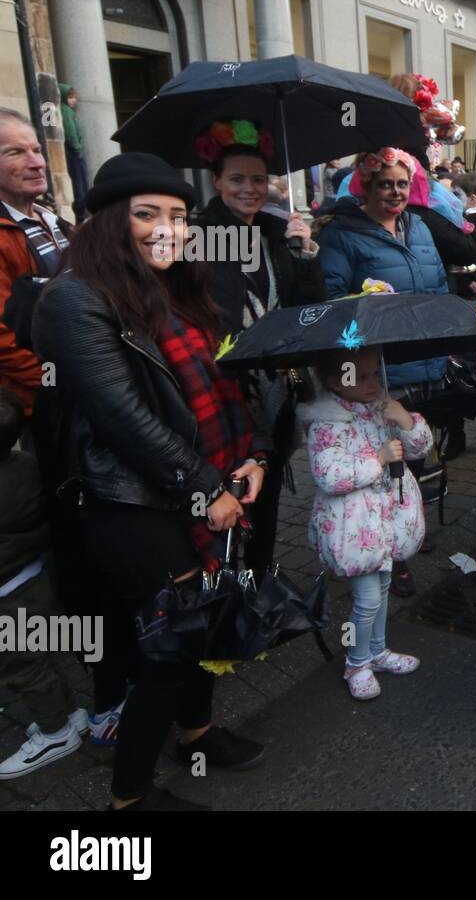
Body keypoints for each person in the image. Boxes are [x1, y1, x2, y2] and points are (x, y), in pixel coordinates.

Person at [32, 153, 269, 810]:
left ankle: (194, 736)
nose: (167, 227)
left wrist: (258, 457)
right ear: (110, 221)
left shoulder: (180, 288)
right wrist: (207, 489)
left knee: (203, 628)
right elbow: (122, 418)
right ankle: (127, 802)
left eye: (178, 215)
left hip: (212, 482)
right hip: (133, 503)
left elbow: (230, 385)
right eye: (147, 214)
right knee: (171, 647)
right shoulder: (73, 298)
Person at [191, 121, 327, 581]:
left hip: (279, 381)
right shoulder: (199, 237)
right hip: (227, 385)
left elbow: (309, 309)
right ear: (217, 182)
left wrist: (305, 253)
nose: (249, 189)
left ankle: (261, 578)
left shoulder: (277, 230)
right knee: (231, 486)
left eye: (257, 179)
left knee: (266, 485)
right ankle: (226, 585)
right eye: (237, 180)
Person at [317, 147, 450, 596]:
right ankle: (384, 550)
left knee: (415, 455)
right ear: (365, 187)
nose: (394, 193)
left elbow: (438, 286)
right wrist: (363, 293)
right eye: (384, 184)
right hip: (378, 363)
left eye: (400, 184)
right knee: (383, 460)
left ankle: (408, 530)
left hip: (422, 356)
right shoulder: (343, 234)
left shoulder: (421, 227)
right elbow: (331, 296)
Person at [299, 347, 430, 700]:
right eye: (359, 377)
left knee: (384, 586)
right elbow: (328, 475)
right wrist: (378, 459)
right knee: (368, 598)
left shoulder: (382, 409)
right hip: (351, 526)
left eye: (375, 374)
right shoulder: (326, 422)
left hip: (384, 518)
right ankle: (356, 663)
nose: (372, 383)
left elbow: (419, 449)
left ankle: (378, 650)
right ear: (332, 380)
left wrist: (405, 420)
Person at [0, 386, 91, 780]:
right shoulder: (24, 465)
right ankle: (70, 714)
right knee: (41, 654)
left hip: (8, 594)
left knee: (24, 667)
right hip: (31, 580)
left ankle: (56, 733)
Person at [0, 108, 70, 415]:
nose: (38, 163)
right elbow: (3, 343)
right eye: (15, 152)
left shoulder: (54, 220)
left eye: (37, 150)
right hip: (40, 407)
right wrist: (57, 382)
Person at [58, 85, 88, 221]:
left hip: (73, 153)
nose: (73, 100)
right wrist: (77, 147)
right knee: (79, 184)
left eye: (74, 97)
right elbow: (70, 133)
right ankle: (81, 213)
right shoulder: (66, 111)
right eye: (70, 97)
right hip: (73, 153)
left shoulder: (67, 111)